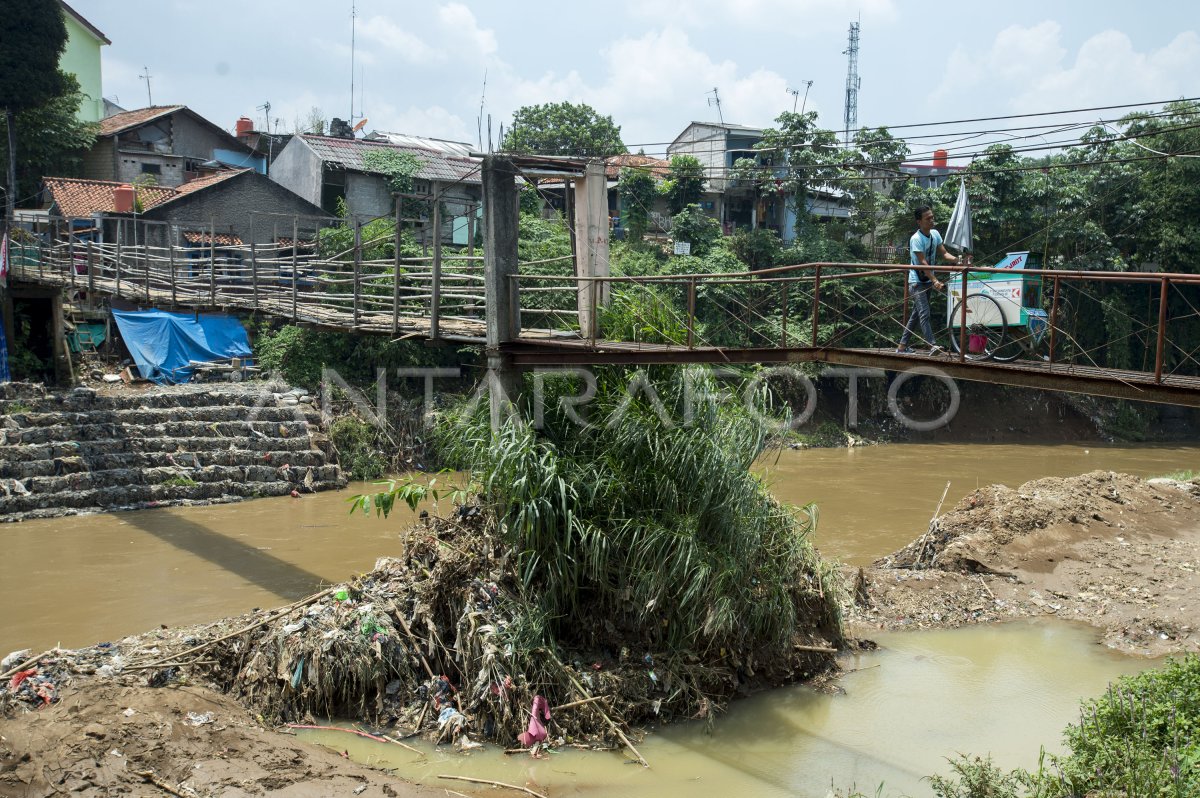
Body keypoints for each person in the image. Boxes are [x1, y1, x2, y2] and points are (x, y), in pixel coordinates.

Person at [897, 205, 962, 354]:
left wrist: (959, 261)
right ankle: (932, 345)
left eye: (932, 217)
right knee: (924, 313)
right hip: (916, 282)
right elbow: (923, 263)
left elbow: (945, 254)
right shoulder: (916, 239)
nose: (932, 220)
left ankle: (902, 346)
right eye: (928, 218)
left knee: (916, 315)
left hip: (927, 281)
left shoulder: (935, 234)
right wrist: (935, 281)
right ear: (919, 222)